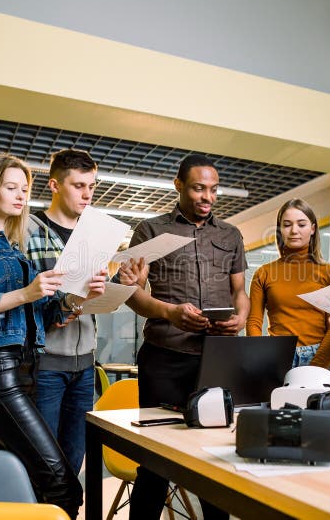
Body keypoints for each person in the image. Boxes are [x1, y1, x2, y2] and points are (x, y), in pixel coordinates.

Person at [0, 154, 104, 519]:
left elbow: (40, 317)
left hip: (27, 370)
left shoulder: (13, 248)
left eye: (25, 189)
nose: (20, 196)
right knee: (60, 482)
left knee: (9, 477)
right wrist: (26, 293)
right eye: (11, 188)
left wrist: (79, 299)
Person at [116, 154, 248, 520]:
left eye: (213, 189)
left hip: (218, 360)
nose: (208, 196)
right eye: (198, 188)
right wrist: (170, 312)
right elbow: (133, 293)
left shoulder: (230, 234)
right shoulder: (151, 231)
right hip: (165, 357)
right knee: (155, 460)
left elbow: (241, 292)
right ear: (178, 186)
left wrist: (241, 318)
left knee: (216, 458)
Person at [25, 148, 108, 476]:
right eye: (78, 186)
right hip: (45, 365)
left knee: (74, 459)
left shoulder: (94, 235)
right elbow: (26, 302)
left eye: (92, 186)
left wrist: (118, 285)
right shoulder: (27, 232)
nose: (87, 194)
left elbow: (95, 296)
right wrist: (65, 302)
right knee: (43, 460)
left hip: (85, 365)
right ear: (55, 185)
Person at [247, 198, 330, 368]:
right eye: (287, 224)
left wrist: (316, 367)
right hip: (275, 357)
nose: (294, 231)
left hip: (320, 356)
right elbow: (253, 322)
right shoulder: (264, 273)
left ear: (312, 228)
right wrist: (261, 355)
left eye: (301, 224)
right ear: (280, 230)